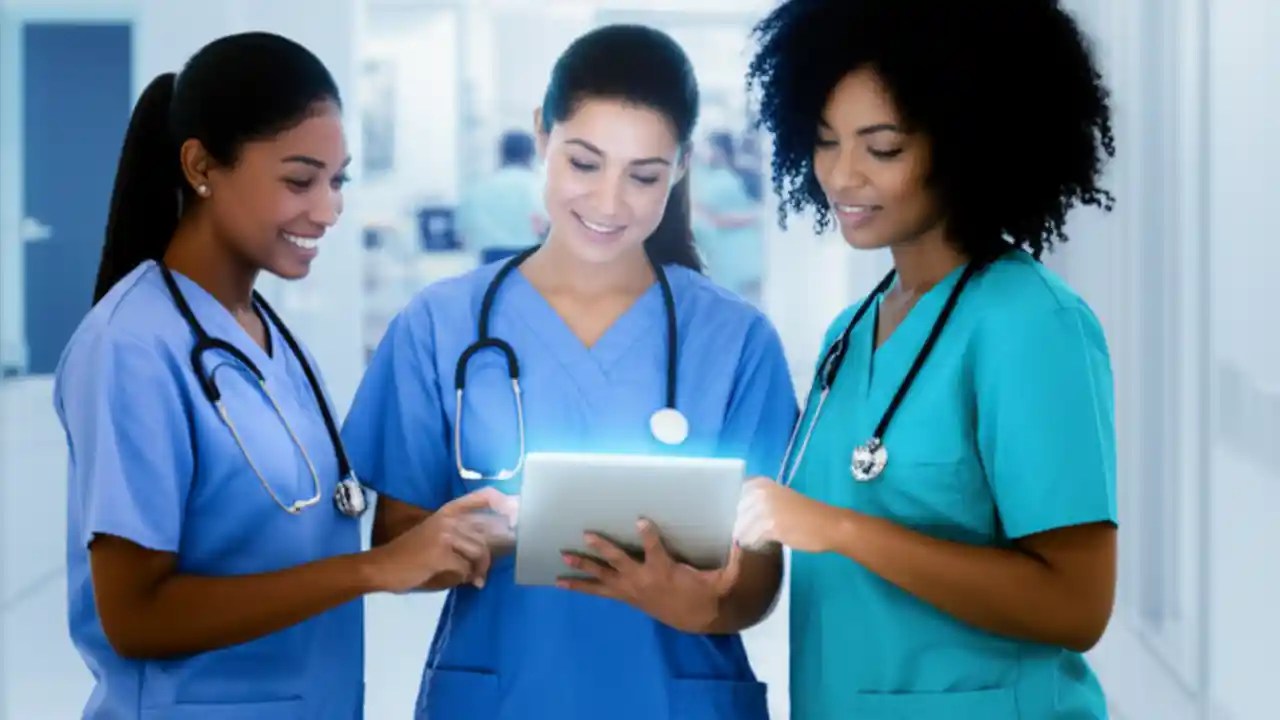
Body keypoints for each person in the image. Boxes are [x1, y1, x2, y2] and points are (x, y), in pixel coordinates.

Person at [341, 24, 798, 720]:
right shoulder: (440, 325)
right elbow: (397, 547)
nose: (609, 203)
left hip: (673, 699)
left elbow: (759, 575)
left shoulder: (736, 340)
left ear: (680, 168)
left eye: (643, 175)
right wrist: (470, 540)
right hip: (502, 698)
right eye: (585, 163)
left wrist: (702, 605)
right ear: (542, 135)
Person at [55, 32, 511, 720]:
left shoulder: (269, 338)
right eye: (300, 181)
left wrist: (435, 542)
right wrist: (373, 570)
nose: (328, 210)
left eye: (337, 181)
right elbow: (136, 616)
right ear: (201, 166)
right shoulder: (132, 347)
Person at [734, 1, 1120, 718]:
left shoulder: (1031, 324)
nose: (841, 175)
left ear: (966, 143)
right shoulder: (850, 333)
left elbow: (1077, 605)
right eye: (825, 142)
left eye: (882, 149)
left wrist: (842, 530)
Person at [691, 131, 764, 303]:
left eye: (709, 147)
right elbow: (706, 212)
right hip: (723, 246)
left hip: (743, 244)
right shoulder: (705, 175)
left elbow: (760, 208)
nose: (706, 152)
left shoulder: (742, 174)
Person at [455, 129, 548, 262]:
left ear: (501, 154)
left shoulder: (477, 189)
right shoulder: (539, 187)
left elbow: (461, 234)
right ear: (531, 155)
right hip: (530, 262)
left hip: (489, 263)